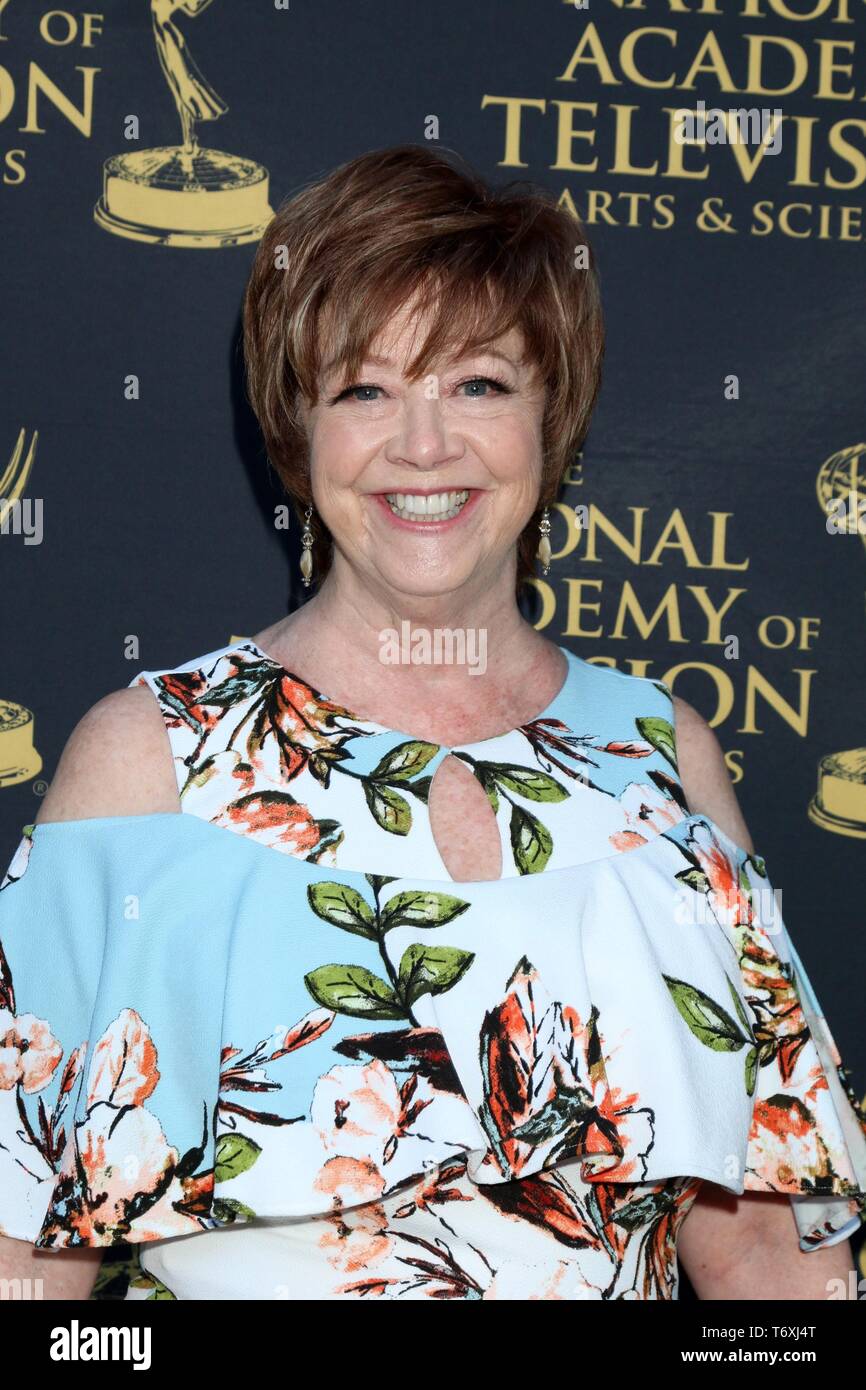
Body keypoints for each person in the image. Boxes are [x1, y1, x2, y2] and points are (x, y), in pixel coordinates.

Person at [1, 144, 864, 1302]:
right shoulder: (152, 759)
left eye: (478, 384)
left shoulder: (661, 753)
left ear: (547, 420)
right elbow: (24, 1246)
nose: (423, 445)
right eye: (364, 388)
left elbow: (763, 1248)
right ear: (295, 433)